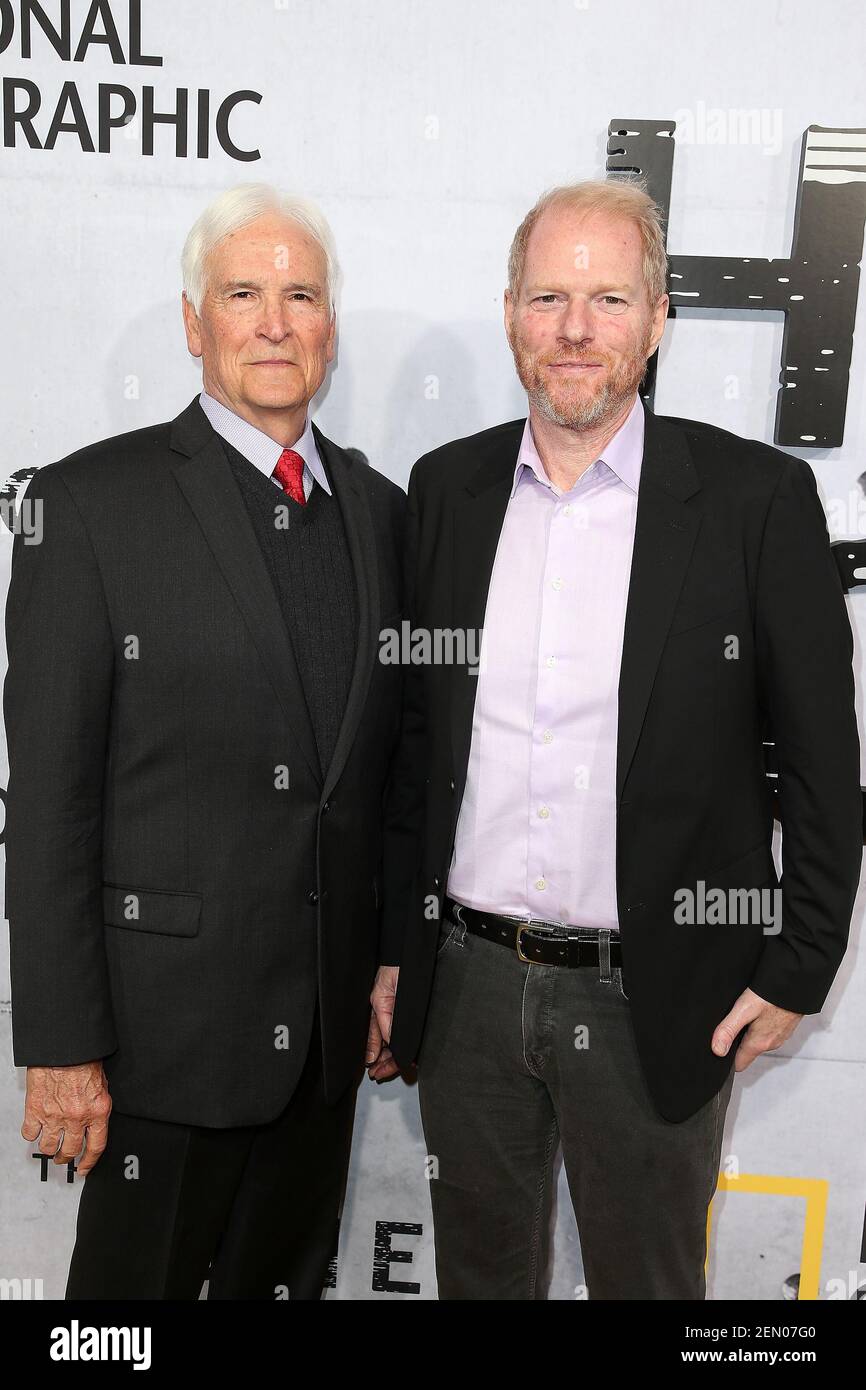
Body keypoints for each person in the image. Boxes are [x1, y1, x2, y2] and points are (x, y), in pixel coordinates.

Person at [378, 179, 863, 1299]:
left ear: (655, 321)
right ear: (509, 313)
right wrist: (396, 950)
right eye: (546, 297)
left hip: (657, 990)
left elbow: (821, 768)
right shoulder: (446, 489)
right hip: (469, 989)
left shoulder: (752, 500)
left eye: (607, 299)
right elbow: (413, 745)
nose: (573, 331)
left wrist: (799, 961)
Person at [5, 182, 406, 1299]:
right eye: (242, 293)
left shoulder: (380, 511)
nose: (273, 321)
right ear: (195, 324)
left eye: (300, 295)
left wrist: (385, 961)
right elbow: (46, 804)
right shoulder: (89, 507)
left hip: (321, 1062)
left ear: (330, 326)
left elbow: (382, 780)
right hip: (155, 1054)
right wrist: (61, 1046)